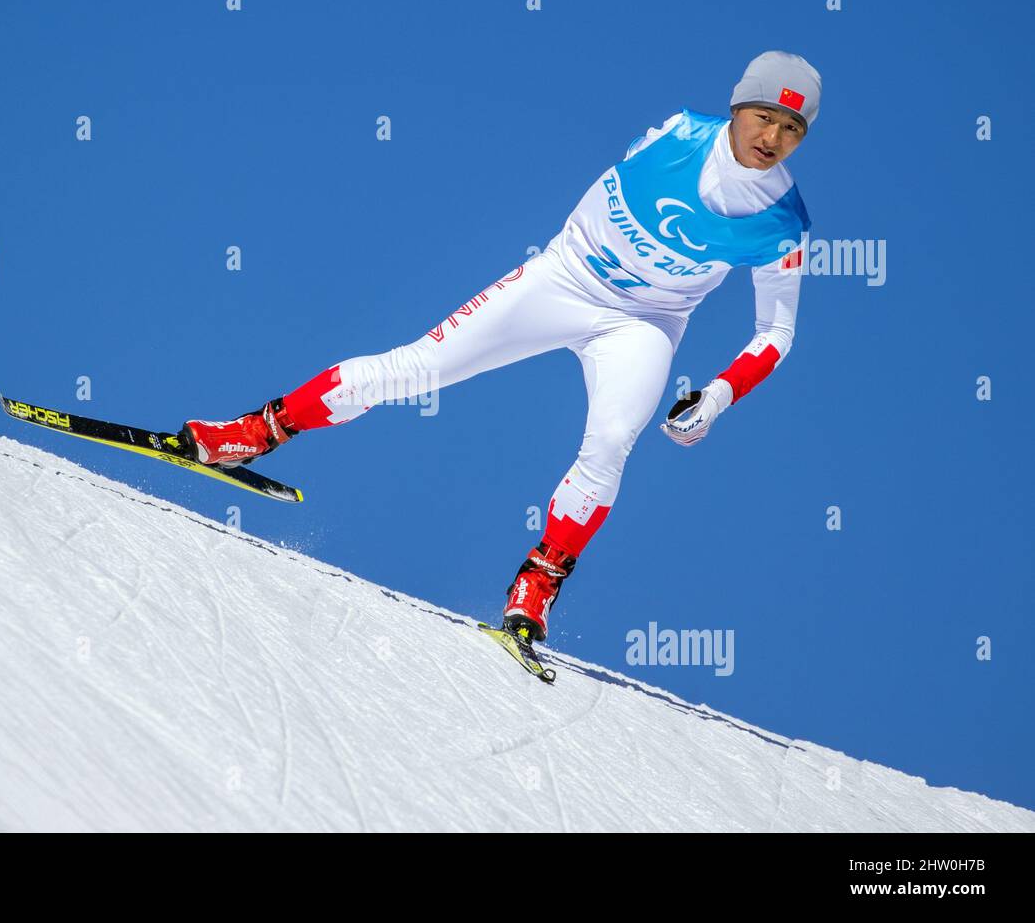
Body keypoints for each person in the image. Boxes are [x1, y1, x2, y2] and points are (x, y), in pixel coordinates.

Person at [179, 51, 818, 656]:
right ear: (737, 108)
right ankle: (250, 433)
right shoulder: (675, 132)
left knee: (611, 443)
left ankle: (535, 589)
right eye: (765, 117)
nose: (773, 137)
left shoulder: (784, 223)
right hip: (562, 280)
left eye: (792, 129)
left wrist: (718, 395)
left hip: (645, 323)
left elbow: (776, 333)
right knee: (418, 368)